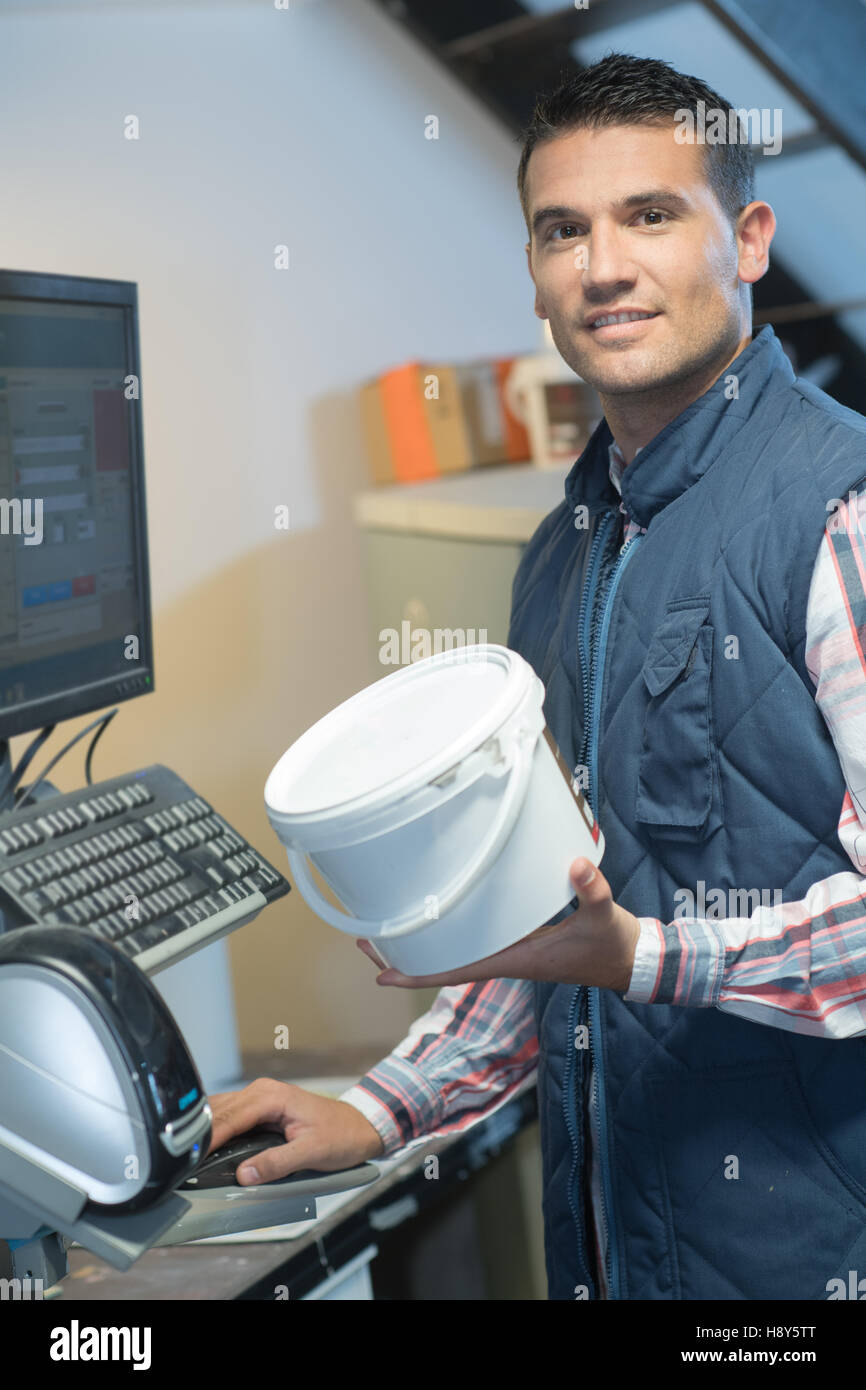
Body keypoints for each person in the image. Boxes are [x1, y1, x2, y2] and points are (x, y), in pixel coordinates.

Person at [207, 53, 866, 1300]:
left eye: (649, 215)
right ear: (533, 272)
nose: (600, 267)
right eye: (560, 230)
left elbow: (622, 949)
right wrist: (381, 1108)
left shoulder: (837, 507)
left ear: (751, 239)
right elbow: (548, 931)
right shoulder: (564, 553)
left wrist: (646, 957)